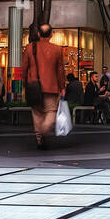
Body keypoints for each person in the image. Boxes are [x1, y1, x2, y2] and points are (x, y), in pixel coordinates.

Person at [23, 21, 66, 150]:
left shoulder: (30, 47)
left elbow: (24, 68)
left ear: (38, 34)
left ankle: (40, 139)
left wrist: (25, 84)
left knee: (37, 114)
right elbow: (60, 71)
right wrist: (62, 87)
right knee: (51, 112)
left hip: (33, 86)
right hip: (51, 87)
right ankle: (44, 131)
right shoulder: (57, 50)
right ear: (52, 34)